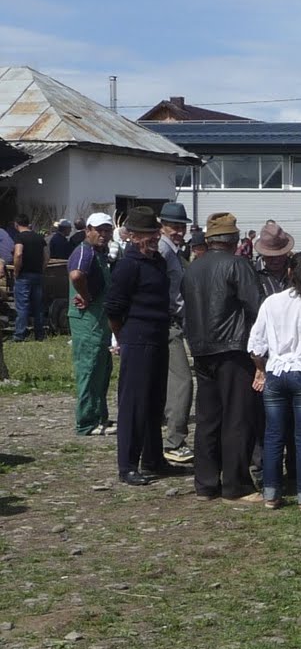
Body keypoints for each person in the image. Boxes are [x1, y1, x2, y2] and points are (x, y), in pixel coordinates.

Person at [182, 212, 264, 501]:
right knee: (237, 418)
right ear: (233, 241)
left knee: (207, 418)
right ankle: (236, 485)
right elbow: (256, 307)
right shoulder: (237, 265)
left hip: (201, 348)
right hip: (232, 349)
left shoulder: (192, 269)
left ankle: (205, 483)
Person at [249, 253, 301, 511]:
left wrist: (261, 369)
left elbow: (255, 345)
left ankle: (271, 493)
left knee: (273, 435)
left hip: (276, 371)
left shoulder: (272, 302)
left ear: (290, 273)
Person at [103, 206, 175, 486]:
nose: (154, 238)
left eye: (155, 233)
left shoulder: (156, 261)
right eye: (148, 234)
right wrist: (122, 337)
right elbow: (113, 308)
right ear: (133, 236)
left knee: (155, 402)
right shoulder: (128, 265)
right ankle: (128, 465)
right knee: (134, 404)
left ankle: (154, 458)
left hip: (158, 336)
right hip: (137, 337)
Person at [67, 212, 116, 436]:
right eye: (100, 230)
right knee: (89, 368)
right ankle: (86, 422)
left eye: (107, 230)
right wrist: (85, 296)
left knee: (102, 369)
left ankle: (100, 417)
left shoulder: (101, 252)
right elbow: (77, 275)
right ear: (88, 230)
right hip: (87, 321)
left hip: (100, 320)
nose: (104, 234)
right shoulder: (84, 251)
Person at [157, 202, 195, 466]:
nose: (179, 231)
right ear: (162, 225)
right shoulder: (163, 250)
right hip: (168, 321)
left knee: (170, 381)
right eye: (174, 226)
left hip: (174, 321)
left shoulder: (173, 250)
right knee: (183, 381)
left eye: (182, 226)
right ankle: (174, 441)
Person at [11, 213, 48, 342]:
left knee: (22, 306)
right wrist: (41, 270)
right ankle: (39, 334)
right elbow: (46, 257)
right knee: (37, 306)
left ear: (16, 224)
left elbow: (18, 254)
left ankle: (19, 335)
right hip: (37, 275)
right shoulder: (39, 238)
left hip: (24, 275)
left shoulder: (19, 237)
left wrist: (16, 271)